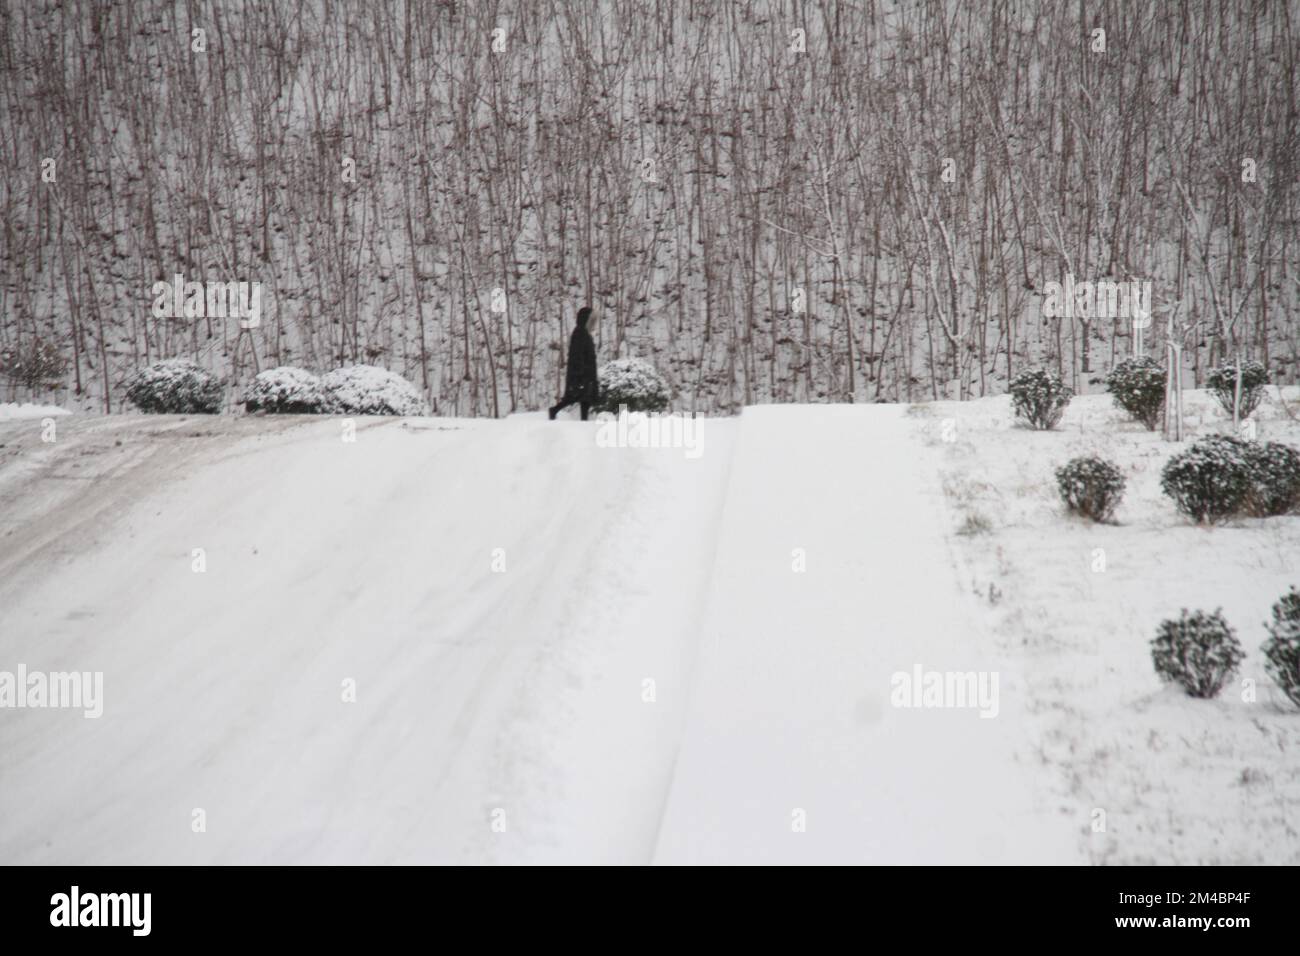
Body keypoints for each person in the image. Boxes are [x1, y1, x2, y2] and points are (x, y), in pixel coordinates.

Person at [549, 306, 598, 420]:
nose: (593, 324)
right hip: (581, 375)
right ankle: (554, 411)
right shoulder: (580, 333)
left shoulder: (585, 334)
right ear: (586, 319)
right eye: (591, 320)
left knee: (585, 399)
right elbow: (576, 356)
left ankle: (583, 422)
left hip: (586, 374)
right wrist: (579, 374)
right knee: (574, 398)